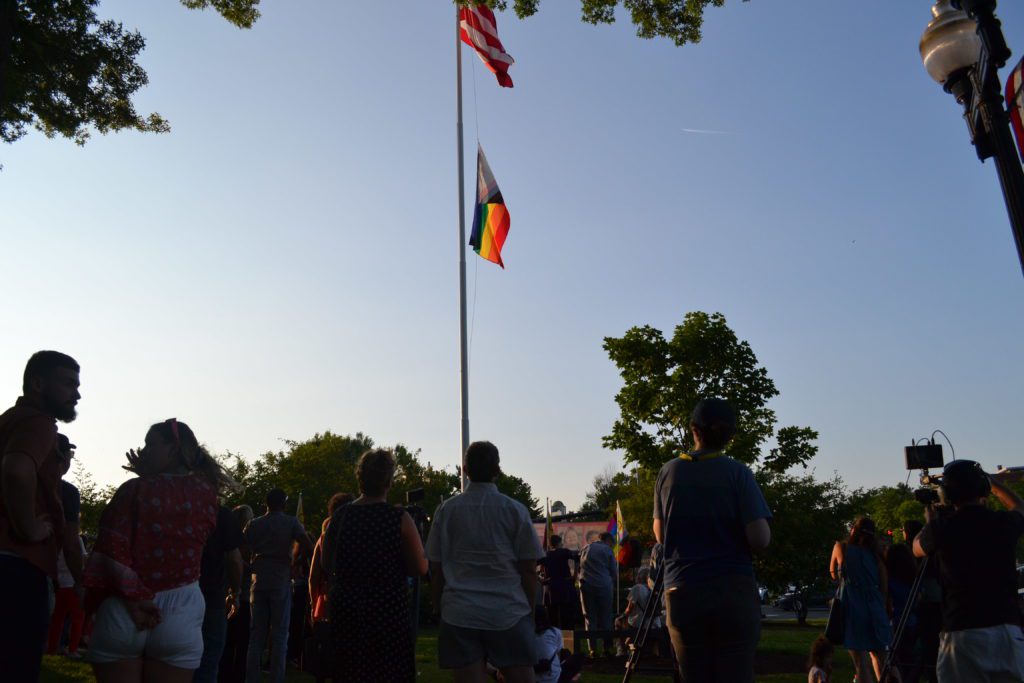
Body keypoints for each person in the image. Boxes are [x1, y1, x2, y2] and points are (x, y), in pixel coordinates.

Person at [84, 418, 237, 683]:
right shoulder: (205, 494)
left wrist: (134, 597)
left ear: (174, 448)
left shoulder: (133, 490)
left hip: (124, 610)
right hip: (180, 611)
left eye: (150, 445)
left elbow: (110, 550)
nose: (143, 452)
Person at [652, 398, 772, 683]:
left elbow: (660, 534)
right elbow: (760, 538)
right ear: (730, 435)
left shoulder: (668, 473)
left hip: (682, 593)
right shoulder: (738, 473)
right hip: (732, 592)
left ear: (694, 430)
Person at [426, 440, 545, 683]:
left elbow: (436, 568)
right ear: (497, 470)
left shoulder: (446, 511)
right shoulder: (515, 511)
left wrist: (438, 607)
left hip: (459, 613)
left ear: (464, 470)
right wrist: (529, 612)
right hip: (509, 612)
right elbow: (529, 570)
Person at [0, 350, 80, 680]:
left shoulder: (10, 420)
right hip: (16, 566)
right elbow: (17, 470)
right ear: (37, 383)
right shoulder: (39, 423)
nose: (76, 393)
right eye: (68, 384)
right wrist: (29, 526)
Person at [319, 450, 427, 682]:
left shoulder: (340, 517)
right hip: (387, 611)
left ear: (360, 478)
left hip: (347, 609)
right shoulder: (399, 519)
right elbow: (419, 567)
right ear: (389, 481)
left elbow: (326, 563)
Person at [913, 460, 1024, 683]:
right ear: (983, 489)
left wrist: (930, 521)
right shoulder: (1002, 522)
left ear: (946, 494)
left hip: (962, 632)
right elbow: (1020, 507)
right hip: (1006, 631)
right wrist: (993, 482)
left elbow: (917, 548)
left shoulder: (942, 528)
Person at [244, 487, 314, 683]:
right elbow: (309, 546)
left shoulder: (253, 524)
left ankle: (252, 678)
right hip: (280, 582)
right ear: (283, 503)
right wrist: (295, 563)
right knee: (280, 635)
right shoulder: (291, 522)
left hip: (258, 583)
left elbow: (240, 547)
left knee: (256, 636)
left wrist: (250, 566)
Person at [829, 516, 892, 683]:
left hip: (852, 605)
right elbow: (884, 586)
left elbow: (834, 574)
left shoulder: (842, 547)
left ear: (853, 530)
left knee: (860, 663)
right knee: (882, 658)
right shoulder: (877, 555)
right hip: (875, 605)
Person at [46, 434, 87, 657]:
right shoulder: (67, 492)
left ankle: (53, 647)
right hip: (39, 571)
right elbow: (71, 545)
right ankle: (70, 649)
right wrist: (81, 582)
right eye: (69, 455)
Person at [194, 505, 245, 683]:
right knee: (207, 662)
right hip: (211, 595)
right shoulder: (220, 513)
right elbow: (234, 559)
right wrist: (235, 592)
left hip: (176, 593)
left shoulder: (170, 507)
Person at [220, 504, 255, 683]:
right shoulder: (245, 542)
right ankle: (237, 675)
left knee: (227, 640)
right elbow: (241, 565)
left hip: (227, 594)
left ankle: (225, 674)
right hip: (240, 595)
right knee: (241, 641)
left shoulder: (226, 538)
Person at [578, 531, 617, 657]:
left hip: (586, 586)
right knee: (606, 617)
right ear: (608, 541)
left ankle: (593, 649)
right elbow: (613, 571)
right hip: (604, 586)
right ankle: (608, 648)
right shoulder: (607, 550)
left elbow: (580, 567)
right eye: (612, 544)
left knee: (590, 618)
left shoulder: (585, 548)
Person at [885, 542, 920, 681]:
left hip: (896, 623)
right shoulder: (913, 580)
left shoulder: (890, 582)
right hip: (912, 623)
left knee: (896, 662)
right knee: (910, 662)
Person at [537, 535, 578, 630]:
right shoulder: (564, 552)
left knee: (552, 617)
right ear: (559, 543)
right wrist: (574, 576)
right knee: (567, 618)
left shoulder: (546, 555)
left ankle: (554, 639)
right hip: (565, 586)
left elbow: (533, 565)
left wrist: (540, 579)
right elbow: (577, 558)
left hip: (551, 587)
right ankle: (568, 640)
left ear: (551, 544)